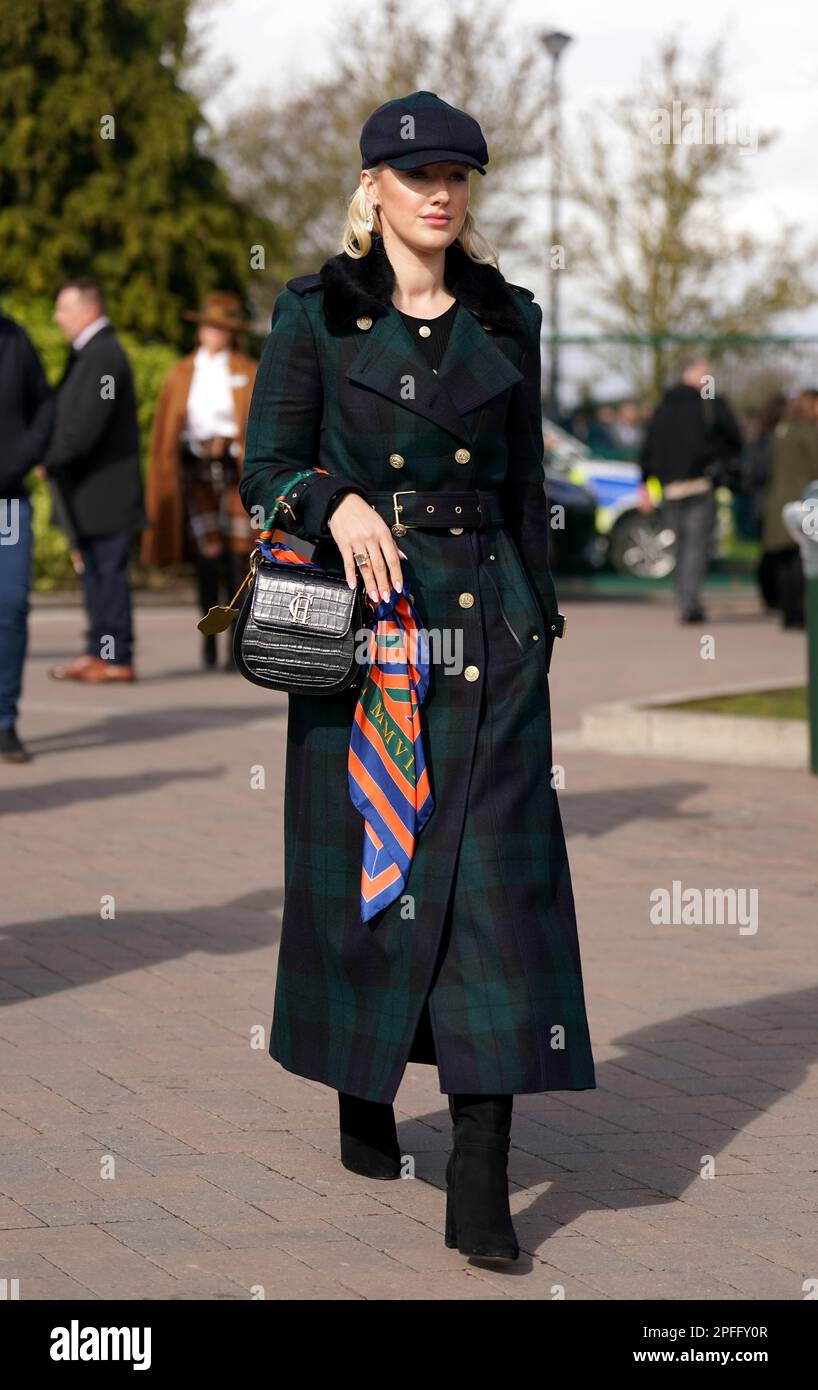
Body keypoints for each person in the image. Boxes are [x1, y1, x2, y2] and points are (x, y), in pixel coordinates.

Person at [238, 90, 596, 1262]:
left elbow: (523, 484)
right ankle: (361, 1087)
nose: (440, 192)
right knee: (369, 881)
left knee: (496, 892)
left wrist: (536, 621)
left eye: (458, 175)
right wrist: (332, 499)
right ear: (374, 189)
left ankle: (481, 1173)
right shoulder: (315, 314)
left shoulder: (511, 318)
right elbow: (266, 469)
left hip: (484, 635)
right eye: (418, 174)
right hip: (364, 643)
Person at [140, 293, 259, 670]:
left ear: (231, 333)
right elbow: (168, 430)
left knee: (240, 555)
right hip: (196, 469)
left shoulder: (246, 370)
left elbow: (255, 422)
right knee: (208, 556)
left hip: (234, 470)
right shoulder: (181, 373)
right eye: (208, 325)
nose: (212, 332)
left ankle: (237, 645)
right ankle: (209, 640)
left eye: (220, 327)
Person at [43, 277, 146, 682]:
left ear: (88, 311)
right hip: (90, 494)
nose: (56, 317)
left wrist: (47, 458)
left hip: (106, 494)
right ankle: (99, 651)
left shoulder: (104, 355)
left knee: (107, 576)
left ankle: (116, 657)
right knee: (95, 576)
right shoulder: (89, 353)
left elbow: (86, 425)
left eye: (63, 309)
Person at [638, 355, 743, 622]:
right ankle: (689, 602)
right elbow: (735, 439)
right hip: (699, 483)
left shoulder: (663, 407)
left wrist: (646, 485)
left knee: (681, 545)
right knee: (696, 546)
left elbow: (648, 449)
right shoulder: (711, 405)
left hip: (670, 487)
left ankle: (684, 598)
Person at [0, 310, 55, 762]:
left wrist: (24, 456)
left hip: (7, 502)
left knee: (11, 605)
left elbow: (44, 406)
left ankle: (4, 722)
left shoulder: (15, 338)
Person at [761, 389, 818, 629]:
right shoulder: (807, 433)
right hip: (801, 501)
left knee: (786, 559)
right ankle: (796, 613)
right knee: (799, 558)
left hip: (779, 499)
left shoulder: (783, 431)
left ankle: (789, 611)